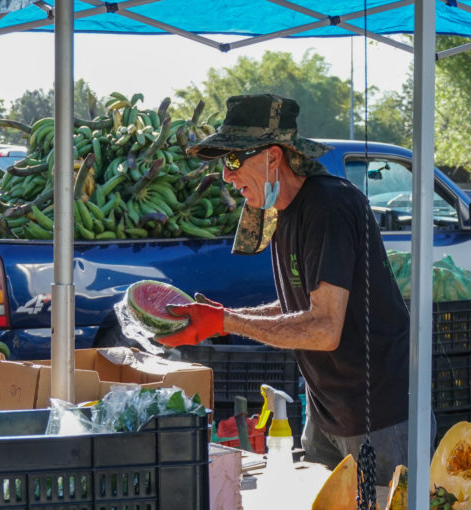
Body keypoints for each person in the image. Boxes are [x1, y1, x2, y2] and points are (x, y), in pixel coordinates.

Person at [153, 93, 426, 486]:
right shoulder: (280, 211)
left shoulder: (329, 207)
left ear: (273, 157)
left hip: (381, 417)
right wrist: (224, 322)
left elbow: (323, 328)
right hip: (325, 413)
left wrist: (228, 320)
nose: (226, 176)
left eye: (233, 160)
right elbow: (296, 304)